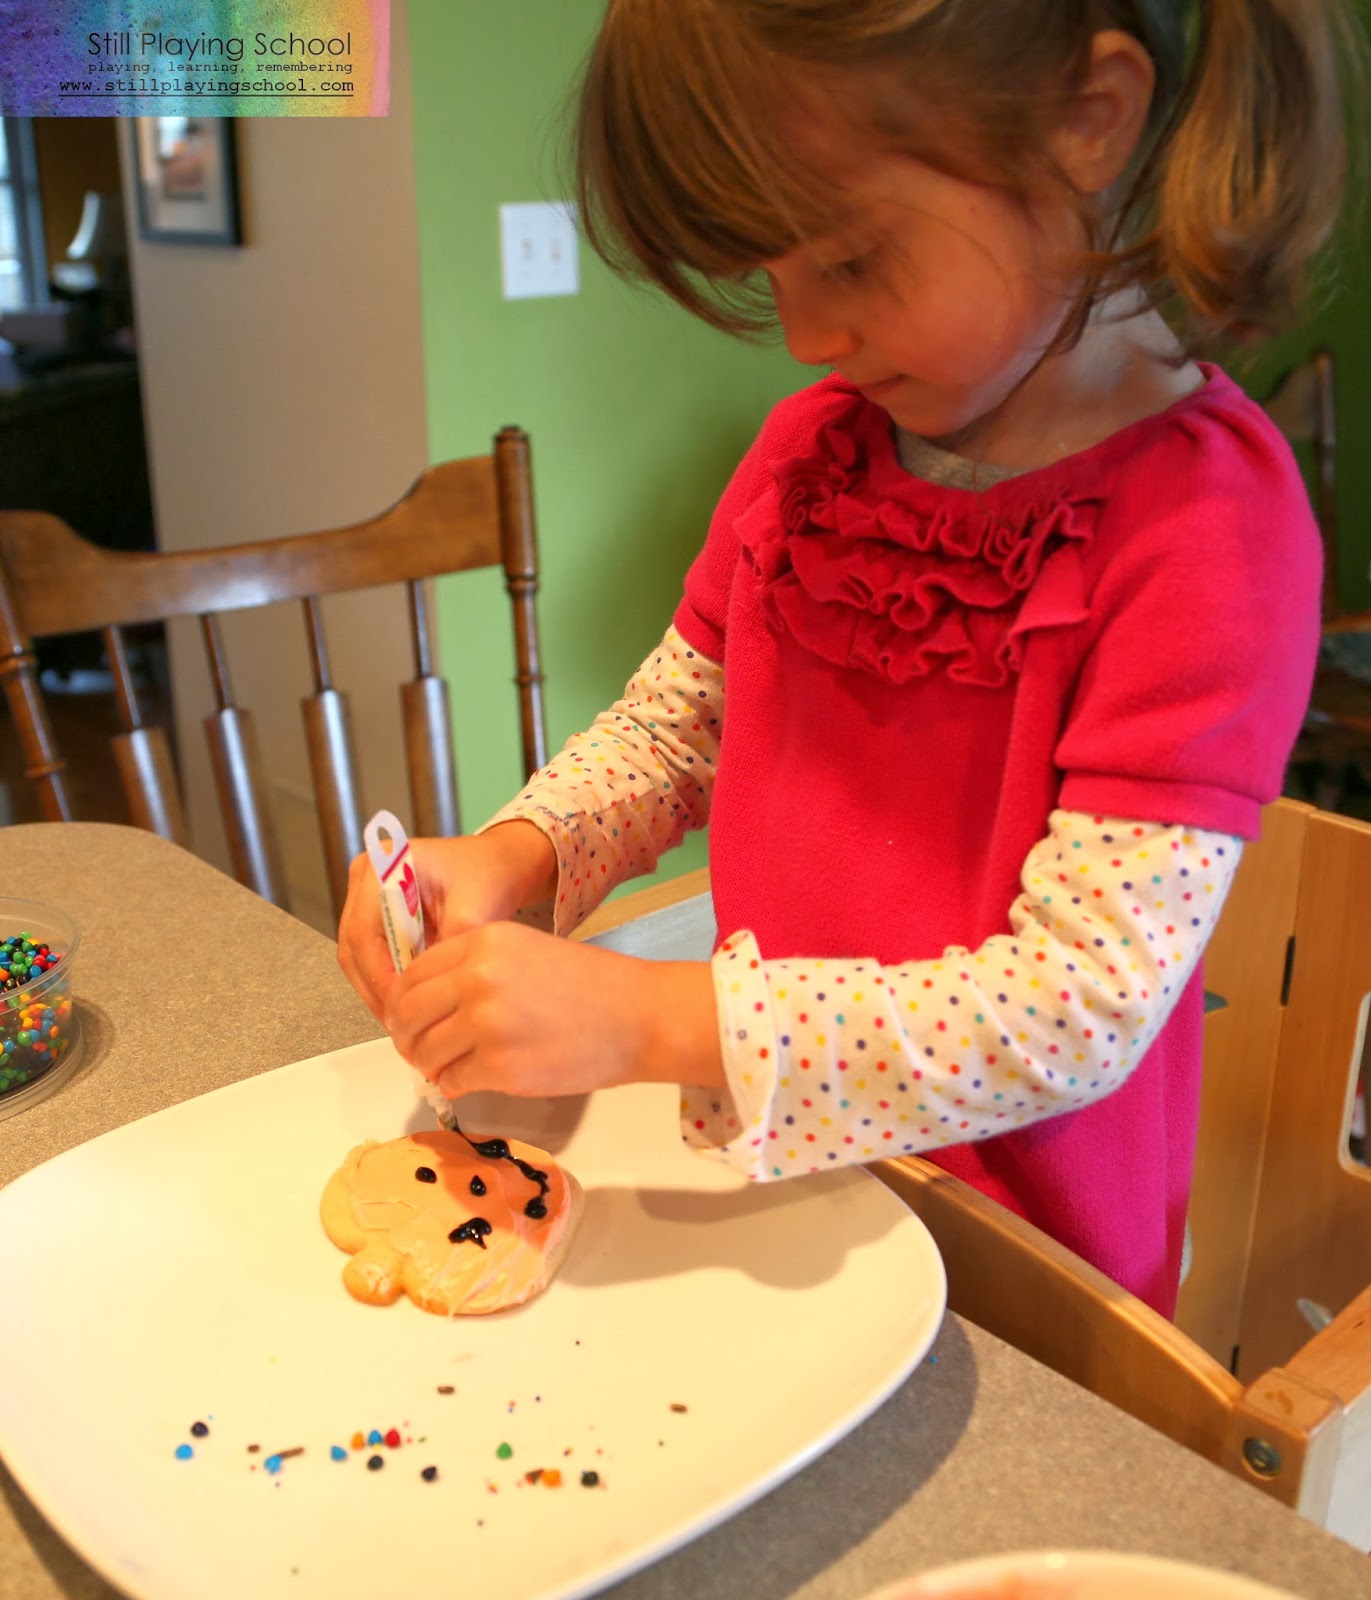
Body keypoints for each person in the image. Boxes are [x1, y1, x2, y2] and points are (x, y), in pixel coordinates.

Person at [339, 0, 1358, 1316]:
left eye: (855, 261)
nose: (808, 334)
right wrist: (520, 854)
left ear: (1086, 123)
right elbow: (675, 733)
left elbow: (1073, 1006)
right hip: (788, 1197)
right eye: (773, 275)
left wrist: (650, 1020)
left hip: (1025, 1284)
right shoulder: (813, 455)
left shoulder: (1209, 536)